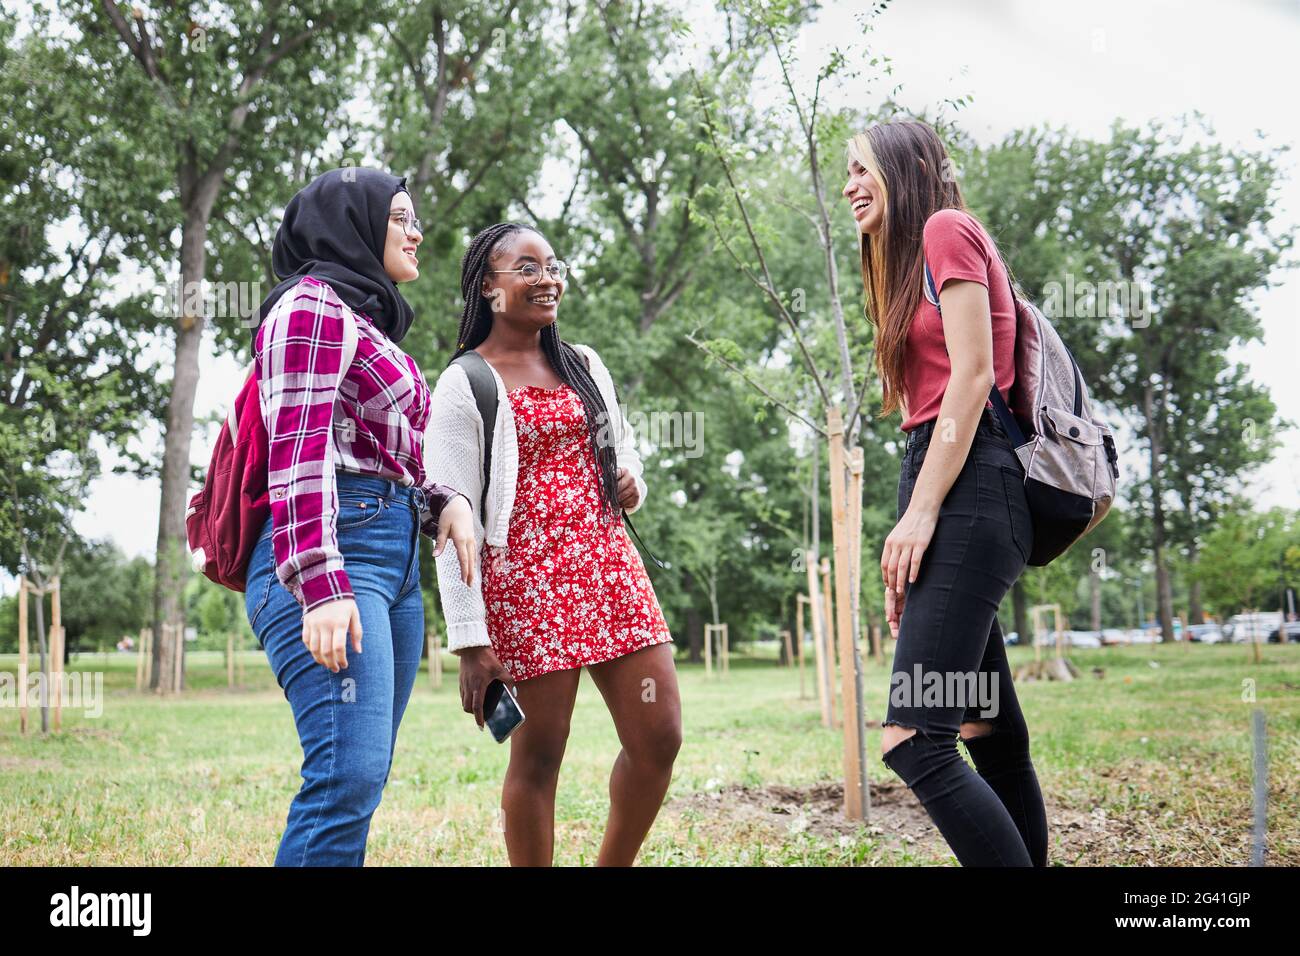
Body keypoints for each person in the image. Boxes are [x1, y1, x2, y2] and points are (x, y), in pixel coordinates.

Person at [427, 222, 681, 866]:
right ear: (488, 287)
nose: (548, 279)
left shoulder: (584, 364)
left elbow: (622, 453)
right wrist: (470, 640)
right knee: (538, 755)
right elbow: (448, 520)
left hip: (607, 569)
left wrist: (630, 482)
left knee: (660, 736)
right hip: (526, 583)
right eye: (528, 268)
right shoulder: (465, 383)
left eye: (553, 266)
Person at [244, 166, 476, 866]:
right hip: (336, 555)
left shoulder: (360, 321)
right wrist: (319, 582)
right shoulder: (309, 307)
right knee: (344, 774)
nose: (418, 231)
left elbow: (395, 453)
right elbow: (298, 450)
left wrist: (446, 501)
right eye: (400, 216)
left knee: (361, 774)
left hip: (395, 558)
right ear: (352, 223)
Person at [843, 120, 1049, 866]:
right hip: (947, 478)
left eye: (863, 169)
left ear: (904, 168)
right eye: (847, 173)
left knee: (912, 737)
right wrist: (913, 516)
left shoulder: (946, 227)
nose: (849, 186)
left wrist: (922, 516)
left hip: (970, 482)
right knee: (985, 727)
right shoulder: (908, 260)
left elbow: (973, 377)